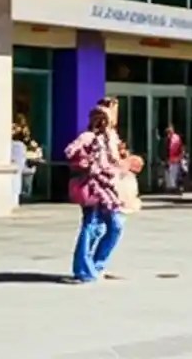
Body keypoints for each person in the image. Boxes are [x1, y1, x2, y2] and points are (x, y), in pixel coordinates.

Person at [65, 106, 127, 283]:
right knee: (91, 225)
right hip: (93, 186)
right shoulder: (88, 137)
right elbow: (71, 151)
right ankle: (83, 269)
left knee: (115, 225)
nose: (103, 123)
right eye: (100, 119)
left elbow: (116, 160)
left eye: (106, 119)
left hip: (110, 189)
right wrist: (87, 161)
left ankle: (97, 265)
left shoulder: (112, 139)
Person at [164, 124, 185, 195]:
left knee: (176, 174)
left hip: (175, 159)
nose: (168, 134)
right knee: (172, 174)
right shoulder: (169, 139)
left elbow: (180, 149)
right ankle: (174, 188)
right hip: (172, 159)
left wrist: (179, 157)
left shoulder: (176, 138)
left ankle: (177, 188)